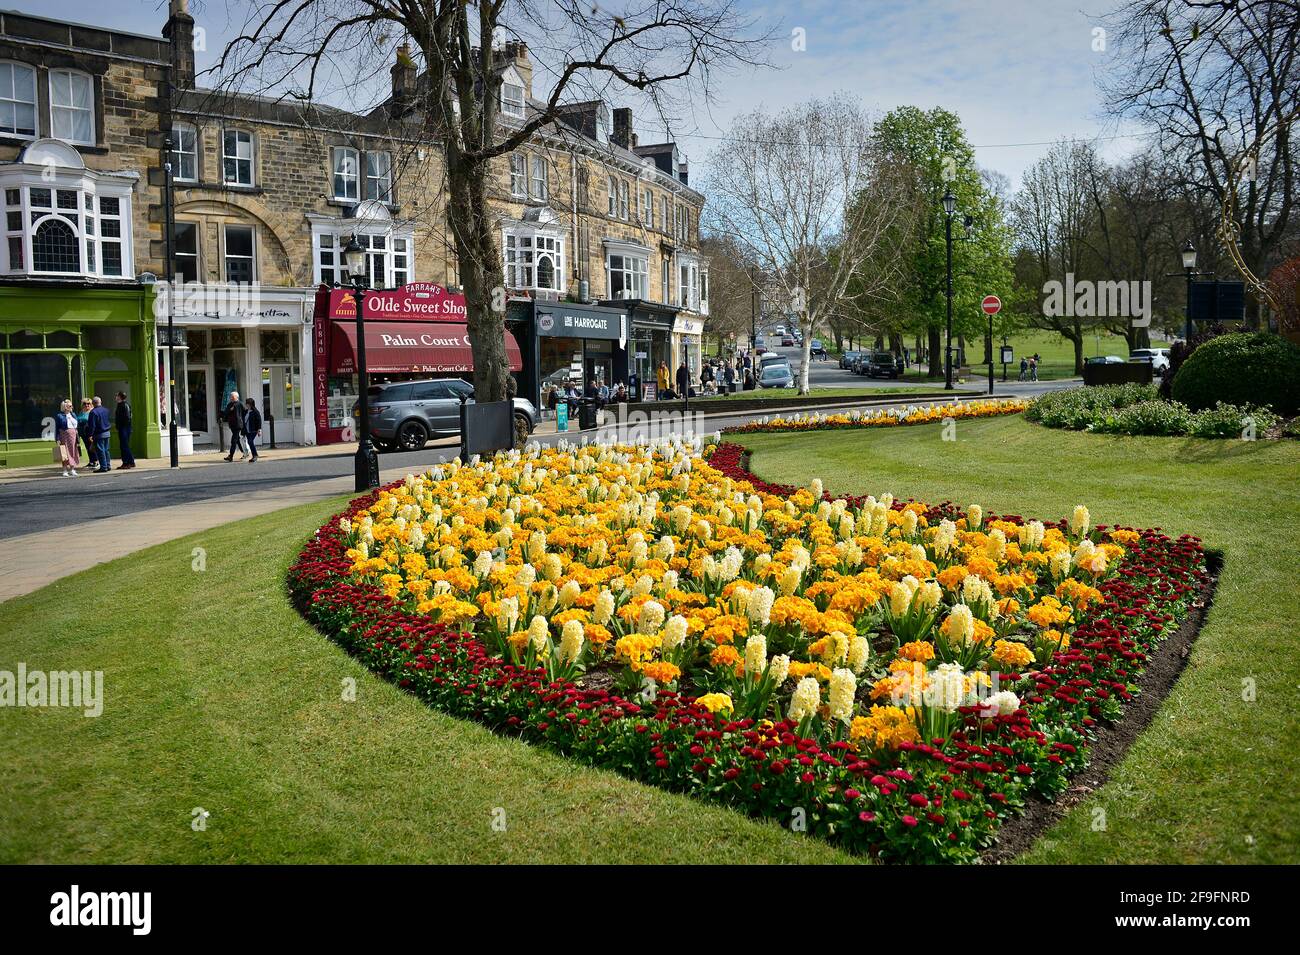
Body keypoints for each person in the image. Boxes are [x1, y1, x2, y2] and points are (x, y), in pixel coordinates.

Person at [55, 399, 80, 477]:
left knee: (73, 452)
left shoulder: (73, 414)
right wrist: (57, 438)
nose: (71, 407)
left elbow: (76, 425)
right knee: (64, 453)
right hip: (64, 436)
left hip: (73, 436)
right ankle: (65, 470)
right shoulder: (60, 416)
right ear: (65, 407)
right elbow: (57, 428)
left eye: (71, 406)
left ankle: (72, 469)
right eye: (69, 405)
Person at [88, 396, 112, 473]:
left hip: (99, 434)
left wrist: (90, 434)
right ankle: (108, 465)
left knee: (100, 451)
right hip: (107, 432)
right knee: (106, 450)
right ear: (100, 402)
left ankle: (104, 467)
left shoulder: (93, 412)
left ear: (93, 403)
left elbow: (92, 425)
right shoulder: (106, 410)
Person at [222, 390, 249, 461]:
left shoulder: (240, 404)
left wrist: (242, 420)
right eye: (231, 397)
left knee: (233, 440)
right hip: (232, 425)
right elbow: (225, 413)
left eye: (232, 397)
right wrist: (230, 410)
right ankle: (245, 452)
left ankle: (230, 456)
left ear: (237, 397)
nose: (231, 398)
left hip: (238, 425)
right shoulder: (230, 404)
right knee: (237, 440)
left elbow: (245, 411)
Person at [113, 391, 135, 470]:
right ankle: (131, 462)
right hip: (124, 428)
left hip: (124, 428)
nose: (116, 397)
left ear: (120, 397)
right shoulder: (121, 405)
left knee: (124, 446)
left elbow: (127, 418)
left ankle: (126, 463)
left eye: (117, 395)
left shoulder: (124, 405)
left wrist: (120, 426)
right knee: (125, 446)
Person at [244, 397, 263, 462]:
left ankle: (255, 455)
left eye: (248, 404)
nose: (246, 405)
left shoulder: (255, 411)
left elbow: (259, 421)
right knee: (250, 442)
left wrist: (259, 430)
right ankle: (254, 455)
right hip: (247, 430)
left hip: (253, 430)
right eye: (246, 403)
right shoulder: (246, 411)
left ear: (251, 404)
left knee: (250, 441)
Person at [76, 398, 95, 466]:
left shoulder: (92, 412)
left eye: (88, 403)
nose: (86, 405)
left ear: (91, 404)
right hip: (82, 432)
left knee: (91, 447)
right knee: (87, 447)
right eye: (84, 403)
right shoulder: (81, 412)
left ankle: (95, 461)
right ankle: (91, 461)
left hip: (89, 432)